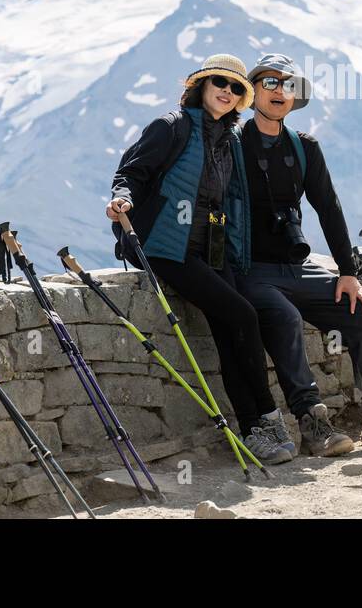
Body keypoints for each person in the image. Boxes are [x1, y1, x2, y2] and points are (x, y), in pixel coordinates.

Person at [238, 52, 362, 456]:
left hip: (299, 267)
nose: (279, 91)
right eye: (269, 82)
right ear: (252, 91)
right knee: (285, 318)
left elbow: (328, 207)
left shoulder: (305, 147)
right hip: (250, 270)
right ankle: (313, 423)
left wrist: (348, 272)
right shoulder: (232, 144)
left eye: (287, 84)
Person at [105, 53, 292, 464]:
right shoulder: (171, 126)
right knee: (244, 316)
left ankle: (252, 431)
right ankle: (266, 417)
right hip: (165, 248)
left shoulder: (228, 139)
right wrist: (122, 198)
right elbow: (131, 172)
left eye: (236, 88)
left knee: (230, 332)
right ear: (201, 87)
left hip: (211, 250)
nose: (227, 92)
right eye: (219, 83)